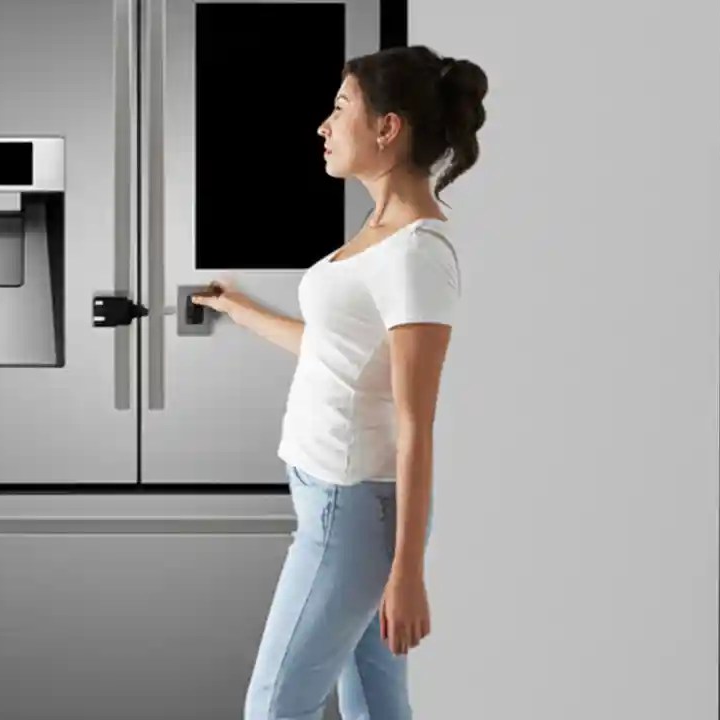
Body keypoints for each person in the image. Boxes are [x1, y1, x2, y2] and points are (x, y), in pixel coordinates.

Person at [190, 45, 489, 719]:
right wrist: (239, 311)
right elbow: (336, 354)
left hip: (353, 515)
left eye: (340, 108)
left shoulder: (416, 253)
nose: (323, 126)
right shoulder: (377, 235)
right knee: (375, 708)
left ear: (389, 129)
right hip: (341, 503)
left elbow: (416, 423)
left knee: (272, 707)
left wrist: (406, 573)